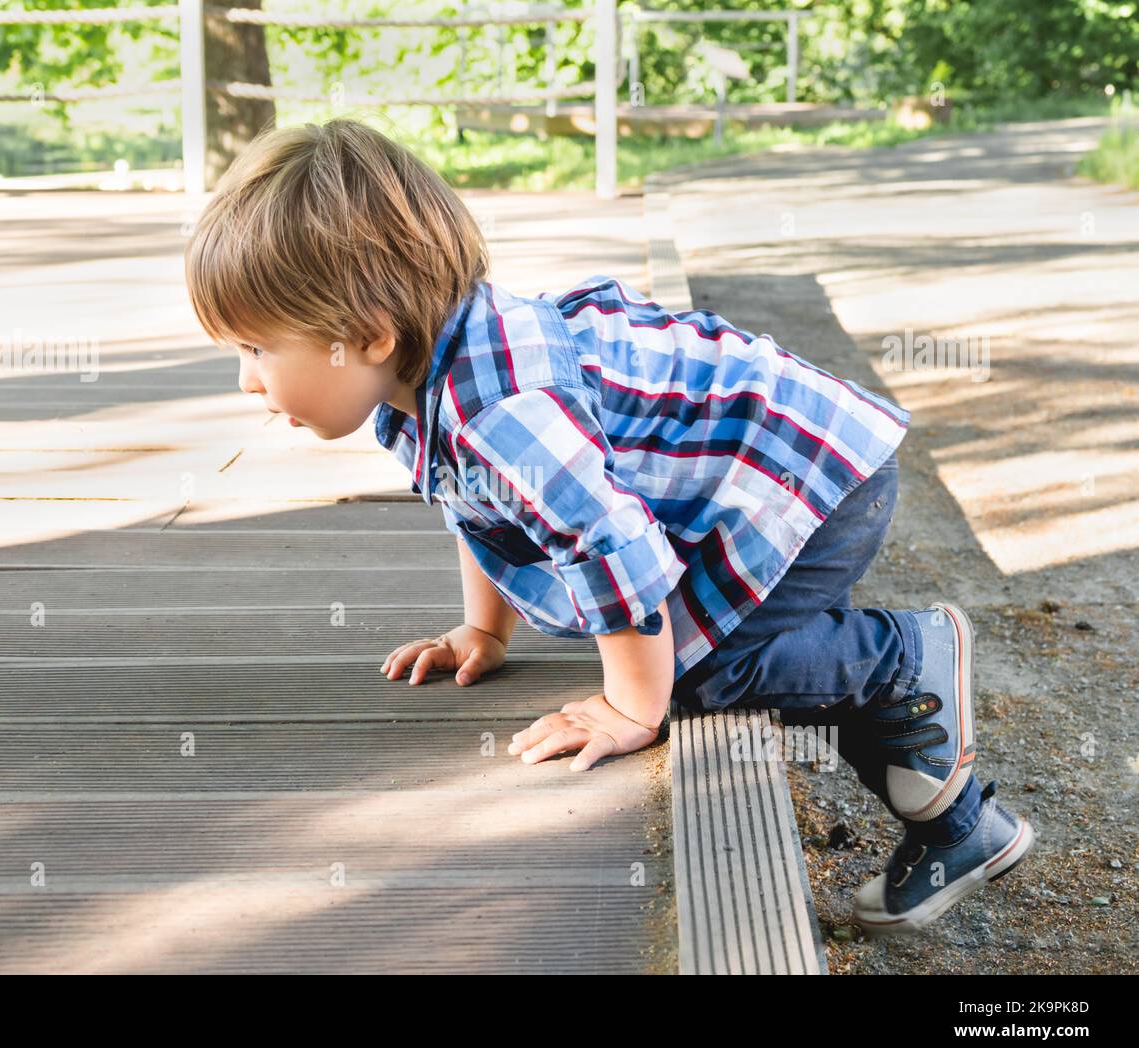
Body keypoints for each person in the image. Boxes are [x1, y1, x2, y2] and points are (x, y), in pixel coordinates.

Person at [183, 116, 1034, 936]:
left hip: (805, 481)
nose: (247, 382)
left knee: (687, 676)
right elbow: (485, 509)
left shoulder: (503, 409)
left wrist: (632, 708)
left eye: (257, 349)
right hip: (749, 480)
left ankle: (902, 659)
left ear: (367, 336)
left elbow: (610, 545)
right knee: (675, 656)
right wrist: (485, 627)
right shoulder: (422, 392)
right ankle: (962, 828)